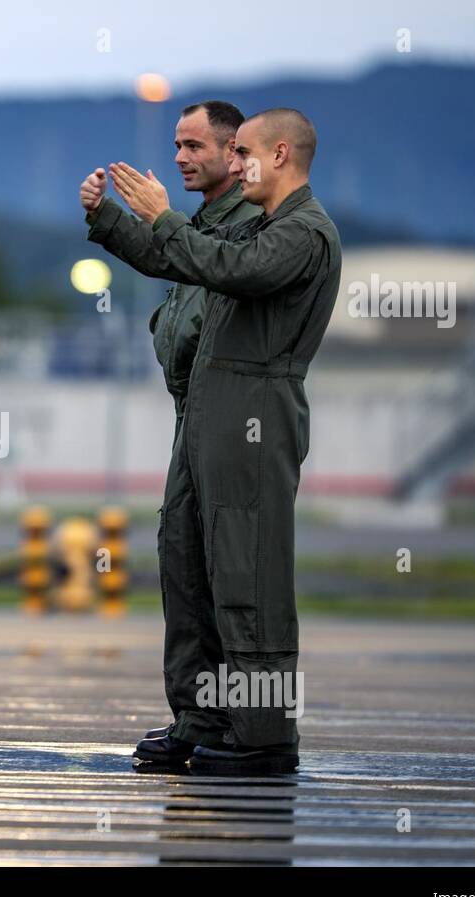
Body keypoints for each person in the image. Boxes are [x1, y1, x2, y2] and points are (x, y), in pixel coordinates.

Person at [78, 108, 342, 774]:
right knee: (190, 563)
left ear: (279, 155)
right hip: (210, 413)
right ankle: (204, 719)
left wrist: (162, 219)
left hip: (253, 413)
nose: (234, 162)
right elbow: (199, 260)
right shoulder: (269, 229)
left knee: (248, 572)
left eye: (243, 151)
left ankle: (263, 736)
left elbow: (230, 267)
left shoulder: (300, 234)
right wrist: (116, 221)